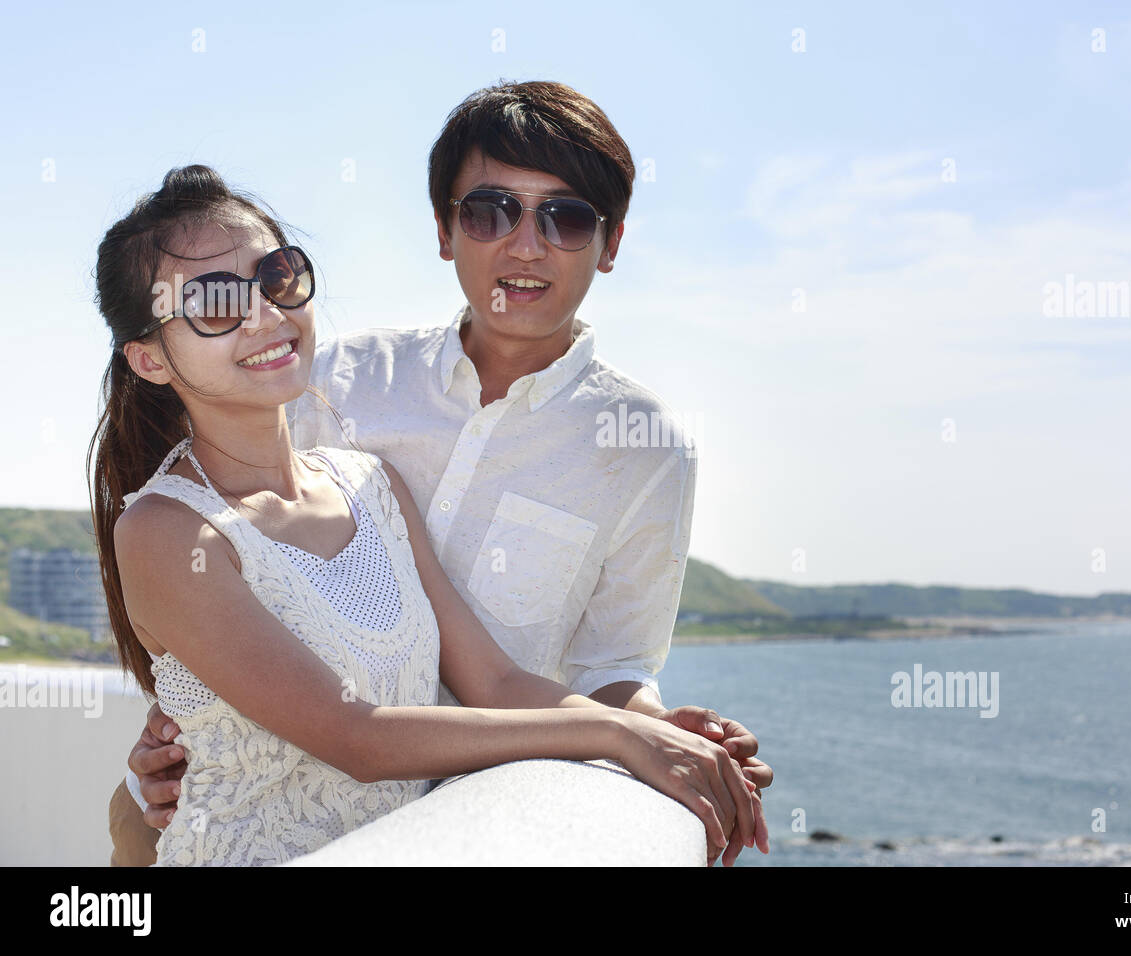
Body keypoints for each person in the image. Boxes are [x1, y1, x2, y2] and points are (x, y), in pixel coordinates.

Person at [110, 80, 773, 865]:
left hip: (477, 824)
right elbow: (319, 709)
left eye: (564, 218)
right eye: (490, 211)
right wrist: (163, 751)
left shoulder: (386, 478)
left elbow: (573, 670)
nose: (525, 247)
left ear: (612, 243)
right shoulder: (327, 380)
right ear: (444, 229)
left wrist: (650, 731)